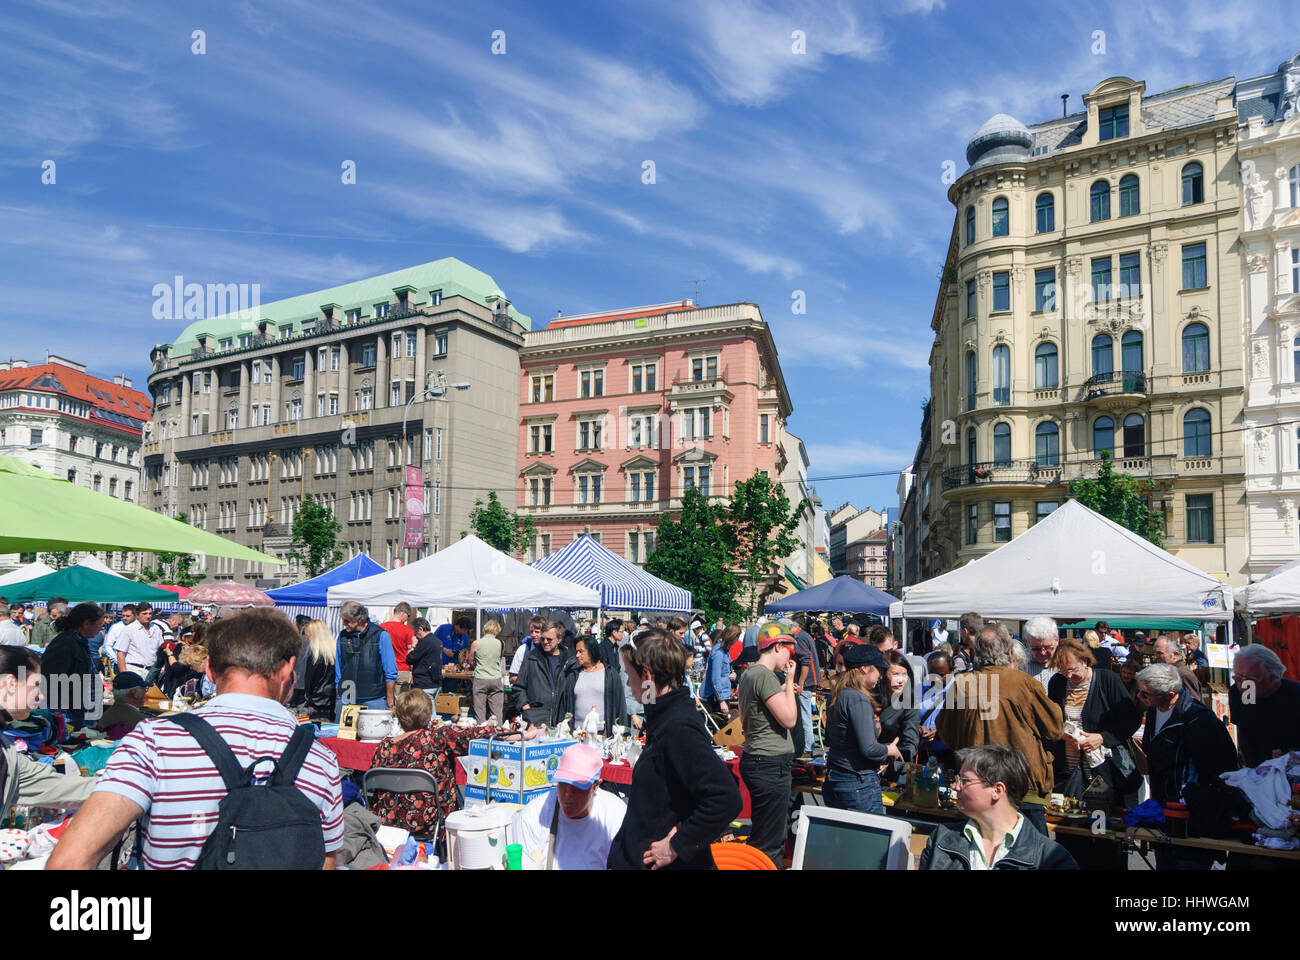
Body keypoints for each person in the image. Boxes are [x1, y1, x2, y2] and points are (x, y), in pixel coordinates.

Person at [48, 609, 345, 870]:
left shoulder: (155, 741)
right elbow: (324, 861)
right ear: (288, 669)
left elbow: (70, 860)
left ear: (211, 670)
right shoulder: (321, 759)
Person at [607, 628, 742, 869]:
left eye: (629, 674)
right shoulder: (663, 715)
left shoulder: (678, 727)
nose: (627, 682)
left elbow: (726, 797)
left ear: (647, 675)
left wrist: (677, 845)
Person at [937, 625, 1064, 835]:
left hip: (980, 782)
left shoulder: (962, 684)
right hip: (1022, 784)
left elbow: (946, 733)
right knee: (1031, 850)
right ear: (1011, 651)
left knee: (981, 847)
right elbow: (1055, 728)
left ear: (976, 652)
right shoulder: (1023, 683)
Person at [368, 688, 525, 836]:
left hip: (388, 824)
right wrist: (515, 733)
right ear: (427, 714)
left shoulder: (383, 747)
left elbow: (374, 789)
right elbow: (477, 733)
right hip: (430, 823)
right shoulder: (436, 739)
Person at [919, 744, 1078, 870]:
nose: (955, 786)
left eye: (964, 781)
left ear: (997, 790)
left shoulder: (1051, 858)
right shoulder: (941, 840)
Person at [1, 646, 96, 812]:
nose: (40, 696)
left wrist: (126, 787)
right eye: (36, 684)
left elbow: (49, 785)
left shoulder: (6, 749)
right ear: (11, 684)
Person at [1046, 638, 1142, 802]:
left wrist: (1103, 737)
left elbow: (1132, 718)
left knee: (1101, 811)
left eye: (1071, 669)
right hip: (1068, 768)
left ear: (1085, 661)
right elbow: (1052, 718)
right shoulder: (1057, 682)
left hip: (1103, 768)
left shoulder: (1107, 679)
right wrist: (1060, 732)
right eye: (1063, 671)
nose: (1068, 675)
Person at [737, 622, 799, 867]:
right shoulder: (765, 675)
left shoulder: (749, 673)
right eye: (790, 650)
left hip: (757, 757)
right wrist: (789, 682)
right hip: (770, 763)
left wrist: (781, 689)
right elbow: (790, 719)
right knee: (770, 842)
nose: (790, 657)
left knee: (764, 833)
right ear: (778, 646)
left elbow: (747, 714)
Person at [513, 743, 627, 869]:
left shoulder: (615, 815)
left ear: (596, 786)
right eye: (563, 783)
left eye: (577, 786)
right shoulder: (534, 815)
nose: (567, 793)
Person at [823, 642, 901, 813]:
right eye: (878, 670)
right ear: (865, 669)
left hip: (837, 777)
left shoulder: (839, 693)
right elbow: (869, 749)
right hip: (857, 782)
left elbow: (831, 738)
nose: (881, 676)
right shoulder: (857, 698)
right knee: (869, 831)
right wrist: (890, 749)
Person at [1228, 644, 1300, 767]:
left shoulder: (1295, 695)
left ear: (1273, 676)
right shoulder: (1243, 693)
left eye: (1251, 679)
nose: (1244, 685)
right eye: (1238, 678)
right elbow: (1244, 729)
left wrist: (1289, 752)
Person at [41, 602, 105, 725]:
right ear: (86, 624)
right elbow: (52, 679)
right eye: (99, 624)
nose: (100, 628)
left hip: (82, 709)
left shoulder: (78, 642)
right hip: (70, 713)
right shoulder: (65, 644)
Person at [335, 601, 397, 718]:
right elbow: (338, 671)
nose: (344, 624)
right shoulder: (342, 636)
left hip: (374, 699)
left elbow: (390, 672)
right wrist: (338, 699)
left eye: (347, 621)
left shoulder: (381, 635)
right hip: (347, 697)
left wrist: (390, 703)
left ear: (359, 619)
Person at [553, 634, 626, 731]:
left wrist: (623, 731)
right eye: (576, 652)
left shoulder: (610, 674)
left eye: (581, 651)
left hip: (602, 733)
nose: (577, 655)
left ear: (591, 651)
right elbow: (564, 704)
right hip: (576, 733)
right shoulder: (573, 675)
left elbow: (620, 705)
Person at [514, 621, 570, 727]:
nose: (545, 642)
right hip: (536, 717)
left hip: (561, 719)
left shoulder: (569, 659)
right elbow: (518, 687)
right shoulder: (531, 657)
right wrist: (525, 706)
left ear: (559, 639)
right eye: (543, 639)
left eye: (549, 639)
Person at [877, 650, 920, 770]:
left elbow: (910, 743)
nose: (900, 680)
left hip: (892, 766)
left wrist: (893, 755)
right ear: (882, 675)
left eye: (904, 674)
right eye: (895, 674)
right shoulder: (869, 697)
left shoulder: (909, 703)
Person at [293, 620, 337, 721]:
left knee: (316, 727)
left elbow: (310, 680)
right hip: (331, 700)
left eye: (307, 635)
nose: (307, 638)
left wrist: (308, 695)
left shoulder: (315, 655)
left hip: (316, 702)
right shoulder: (334, 652)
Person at [469, 618, 505, 724]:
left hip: (481, 677)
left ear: (485, 629)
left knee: (480, 710)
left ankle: (481, 729)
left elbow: (471, 661)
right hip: (496, 678)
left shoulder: (476, 643)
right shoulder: (501, 643)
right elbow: (499, 658)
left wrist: (476, 664)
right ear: (497, 630)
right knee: (497, 710)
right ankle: (498, 729)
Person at [116, 601, 162, 680]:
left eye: (150, 613)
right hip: (134, 670)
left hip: (152, 672)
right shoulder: (128, 630)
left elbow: (161, 649)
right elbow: (120, 654)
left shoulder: (156, 629)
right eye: (144, 614)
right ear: (137, 615)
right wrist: (124, 675)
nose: (148, 616)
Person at [700, 624, 739, 717]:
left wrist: (732, 673)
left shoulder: (724, 650)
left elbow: (724, 670)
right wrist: (721, 701)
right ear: (733, 637)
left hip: (721, 694)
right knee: (721, 724)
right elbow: (715, 678)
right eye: (737, 637)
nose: (737, 640)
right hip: (715, 697)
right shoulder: (719, 652)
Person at [96, 673, 149, 740]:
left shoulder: (107, 714)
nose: (146, 694)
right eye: (144, 689)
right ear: (134, 693)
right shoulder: (140, 721)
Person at [380, 602, 417, 695]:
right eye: (408, 616)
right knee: (401, 700)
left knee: (386, 697)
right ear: (403, 613)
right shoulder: (407, 630)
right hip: (402, 669)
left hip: (384, 669)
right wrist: (412, 672)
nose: (408, 618)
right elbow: (410, 654)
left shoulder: (381, 628)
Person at [1152, 635, 1202, 700]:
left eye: (1159, 653)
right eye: (1155, 653)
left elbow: (1194, 703)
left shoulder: (1183, 674)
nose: (1155, 657)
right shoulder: (1172, 671)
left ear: (1175, 654)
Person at [406, 617, 443, 699]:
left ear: (420, 629)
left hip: (424, 683)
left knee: (424, 706)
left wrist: (413, 645)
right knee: (430, 705)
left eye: (415, 632)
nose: (415, 636)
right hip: (435, 682)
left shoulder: (425, 642)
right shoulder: (437, 641)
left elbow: (409, 659)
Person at [1022, 616, 1060, 692]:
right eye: (1036, 649)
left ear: (1057, 640)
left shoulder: (1068, 662)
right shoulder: (1018, 663)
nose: (1043, 653)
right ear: (1027, 642)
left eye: (1048, 647)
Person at [102, 604, 136, 670]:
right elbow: (107, 646)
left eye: (128, 616)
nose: (124, 618)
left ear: (135, 615)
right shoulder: (116, 627)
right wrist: (118, 661)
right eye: (123, 615)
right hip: (120, 666)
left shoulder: (141, 627)